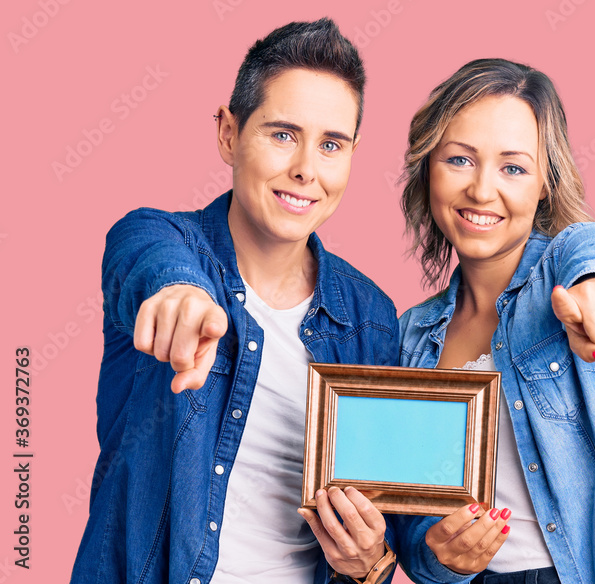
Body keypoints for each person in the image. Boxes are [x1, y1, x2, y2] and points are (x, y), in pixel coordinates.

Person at [71, 19, 407, 584]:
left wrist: (372, 564)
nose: (306, 168)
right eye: (282, 134)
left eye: (331, 144)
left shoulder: (371, 318)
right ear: (228, 133)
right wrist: (179, 296)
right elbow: (147, 262)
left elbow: (372, 545)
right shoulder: (160, 240)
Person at [391, 59, 595, 584]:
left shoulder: (572, 264)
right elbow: (414, 539)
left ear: (546, 184)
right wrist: (439, 555)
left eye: (513, 168)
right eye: (460, 159)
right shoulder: (411, 337)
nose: (482, 191)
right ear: (428, 165)